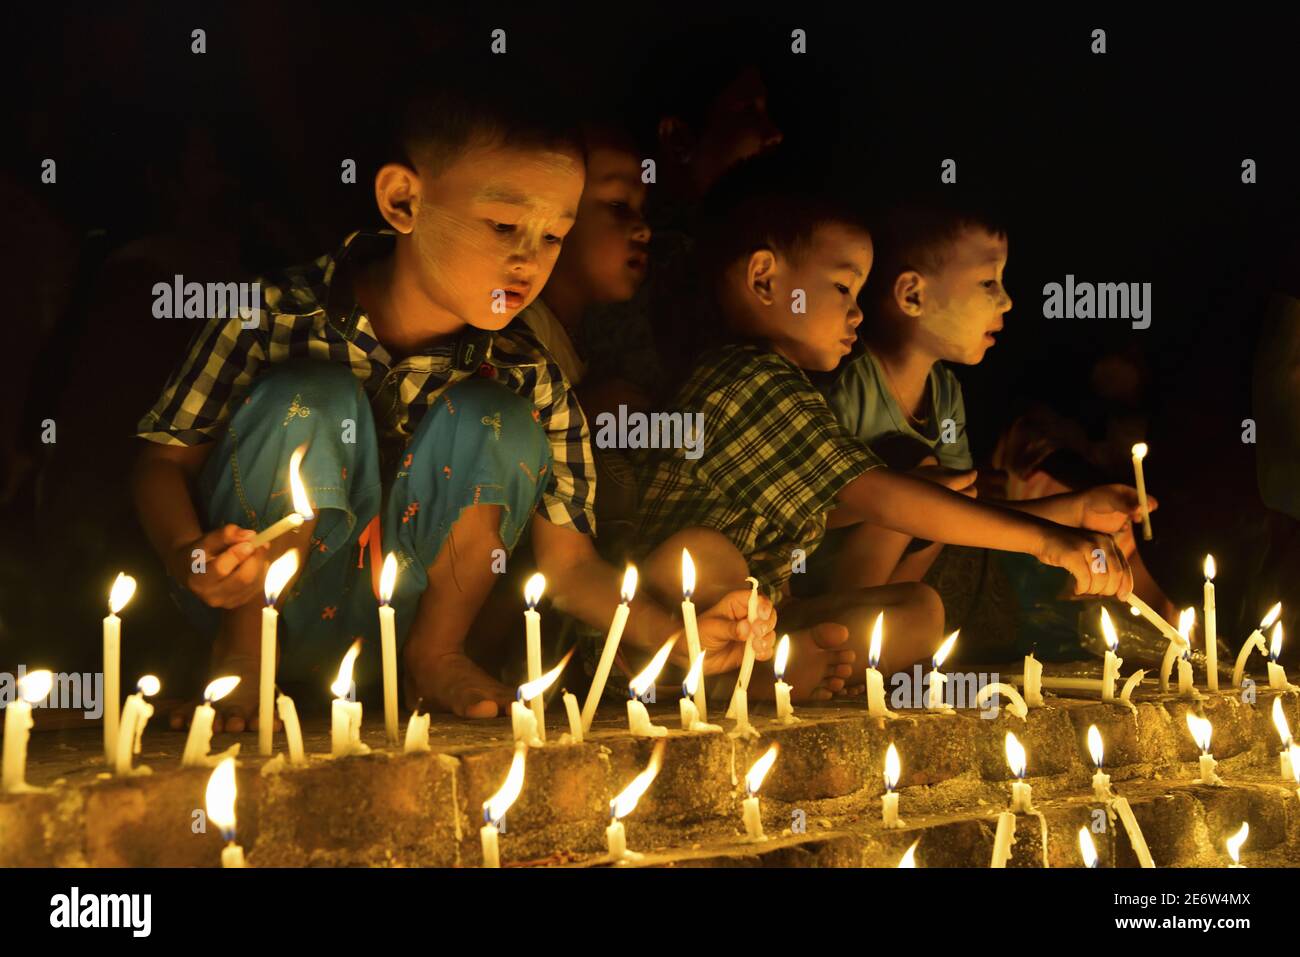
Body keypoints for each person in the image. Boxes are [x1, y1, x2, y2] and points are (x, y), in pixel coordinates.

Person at [131, 62, 775, 731]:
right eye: (503, 226)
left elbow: (572, 567)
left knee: (495, 417)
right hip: (255, 601)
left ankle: (437, 654)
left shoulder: (528, 374)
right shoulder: (272, 318)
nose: (529, 260)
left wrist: (681, 635)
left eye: (553, 235)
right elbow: (161, 461)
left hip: (395, 631)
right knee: (310, 395)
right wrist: (191, 553)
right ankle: (243, 657)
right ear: (403, 201)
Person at [630, 157, 1135, 701]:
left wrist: (1067, 516)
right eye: (843, 289)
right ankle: (741, 676)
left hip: (764, 618)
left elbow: (912, 507)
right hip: (666, 625)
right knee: (706, 552)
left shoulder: (796, 386)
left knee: (920, 610)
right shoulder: (746, 379)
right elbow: (878, 498)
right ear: (765, 279)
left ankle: (784, 669)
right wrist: (1047, 541)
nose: (858, 313)